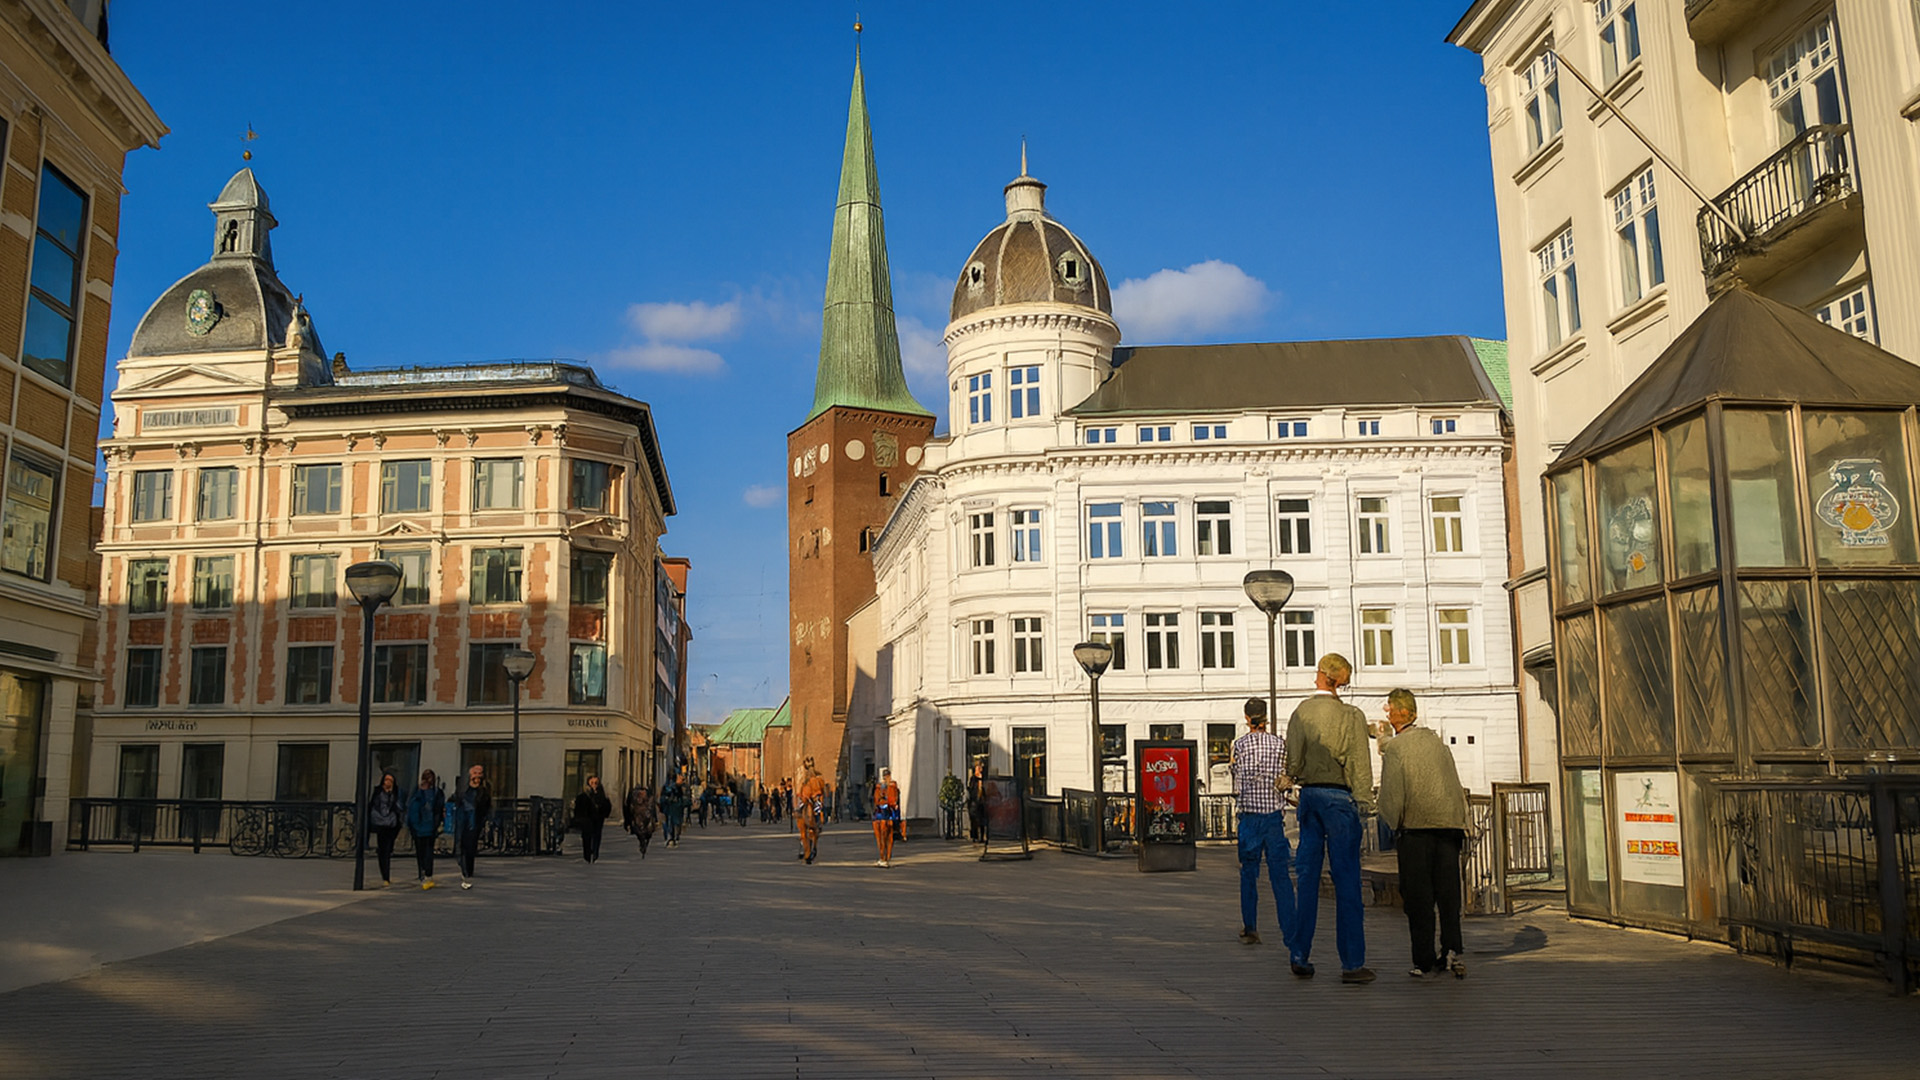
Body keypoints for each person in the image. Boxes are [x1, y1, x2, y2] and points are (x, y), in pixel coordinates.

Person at [1285, 653, 1376, 984]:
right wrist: (1363, 801)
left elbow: (1292, 759)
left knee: (1307, 877)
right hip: (1339, 799)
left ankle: (1299, 953)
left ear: (1322, 676)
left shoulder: (1302, 712)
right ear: (1342, 681)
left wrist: (1292, 776)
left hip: (1309, 797)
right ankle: (1352, 963)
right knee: (1347, 880)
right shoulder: (1351, 715)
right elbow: (1359, 763)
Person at [1377, 689, 1470, 980]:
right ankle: (1452, 949)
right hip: (1449, 826)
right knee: (1448, 893)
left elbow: (1393, 794)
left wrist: (1390, 821)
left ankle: (1423, 959)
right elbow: (1453, 783)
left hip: (1416, 829)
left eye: (1388, 708)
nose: (1386, 712)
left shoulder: (1397, 748)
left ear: (1396, 714)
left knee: (1418, 896)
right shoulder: (1437, 743)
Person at [1230, 696, 1296, 948]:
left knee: (1249, 873)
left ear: (1247, 718)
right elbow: (1285, 781)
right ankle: (1289, 929)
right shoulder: (1280, 744)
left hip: (1249, 818)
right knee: (1280, 875)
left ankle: (1251, 928)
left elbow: (1237, 786)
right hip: (1273, 818)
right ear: (1266, 717)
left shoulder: (1240, 745)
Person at [450, 763, 493, 890]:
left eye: (479, 775)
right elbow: (456, 799)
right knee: (460, 844)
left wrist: (485, 818)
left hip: (475, 821)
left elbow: (487, 806)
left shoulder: (483, 791)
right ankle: (463, 866)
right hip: (462, 820)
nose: (477, 777)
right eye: (475, 774)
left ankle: (468, 869)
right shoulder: (463, 789)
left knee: (470, 846)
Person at [405, 769, 446, 890]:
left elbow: (438, 808)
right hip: (419, 825)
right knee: (422, 851)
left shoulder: (436, 792)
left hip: (428, 826)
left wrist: (437, 823)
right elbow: (411, 807)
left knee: (427, 851)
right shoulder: (418, 792)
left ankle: (426, 873)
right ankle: (424, 873)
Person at [366, 770, 406, 887]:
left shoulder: (396, 792)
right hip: (380, 823)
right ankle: (385, 876)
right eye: (386, 780)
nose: (388, 782)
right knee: (383, 849)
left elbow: (400, 807)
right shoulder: (378, 792)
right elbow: (373, 805)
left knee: (388, 848)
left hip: (392, 823)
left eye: (391, 780)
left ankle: (386, 873)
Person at [573, 775, 613, 864]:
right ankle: (587, 855)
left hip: (598, 819)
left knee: (596, 836)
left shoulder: (602, 794)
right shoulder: (583, 795)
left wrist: (604, 812)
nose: (594, 785)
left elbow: (607, 806)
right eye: (592, 783)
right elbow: (579, 807)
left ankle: (595, 853)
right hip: (586, 819)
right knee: (586, 837)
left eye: (596, 783)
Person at [796, 756, 826, 864]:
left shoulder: (816, 779)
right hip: (806, 799)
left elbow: (819, 792)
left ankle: (818, 822)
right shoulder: (805, 778)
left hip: (813, 798)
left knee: (817, 809)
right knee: (800, 809)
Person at [871, 766, 901, 867]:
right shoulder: (882, 786)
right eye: (886, 776)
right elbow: (876, 799)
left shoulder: (890, 786)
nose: (887, 778)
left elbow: (894, 799)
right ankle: (883, 856)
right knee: (882, 836)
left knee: (887, 835)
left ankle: (885, 857)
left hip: (887, 812)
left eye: (887, 776)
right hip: (883, 811)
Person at [623, 783, 658, 857]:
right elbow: (629, 808)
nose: (642, 793)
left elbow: (652, 807)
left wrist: (655, 818)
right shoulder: (634, 797)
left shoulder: (649, 797)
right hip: (638, 817)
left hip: (647, 817)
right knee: (640, 832)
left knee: (648, 833)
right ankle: (642, 843)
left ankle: (644, 843)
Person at [661, 771, 688, 847]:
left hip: (676, 806)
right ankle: (671, 838)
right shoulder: (670, 786)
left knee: (676, 822)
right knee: (671, 822)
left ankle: (673, 837)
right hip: (671, 806)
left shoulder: (680, 786)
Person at [967, 760, 987, 843]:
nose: (980, 769)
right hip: (974, 801)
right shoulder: (973, 779)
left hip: (982, 801)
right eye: (978, 767)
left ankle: (982, 837)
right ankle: (975, 836)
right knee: (974, 819)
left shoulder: (984, 778)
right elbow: (971, 789)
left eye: (981, 767)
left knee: (982, 819)